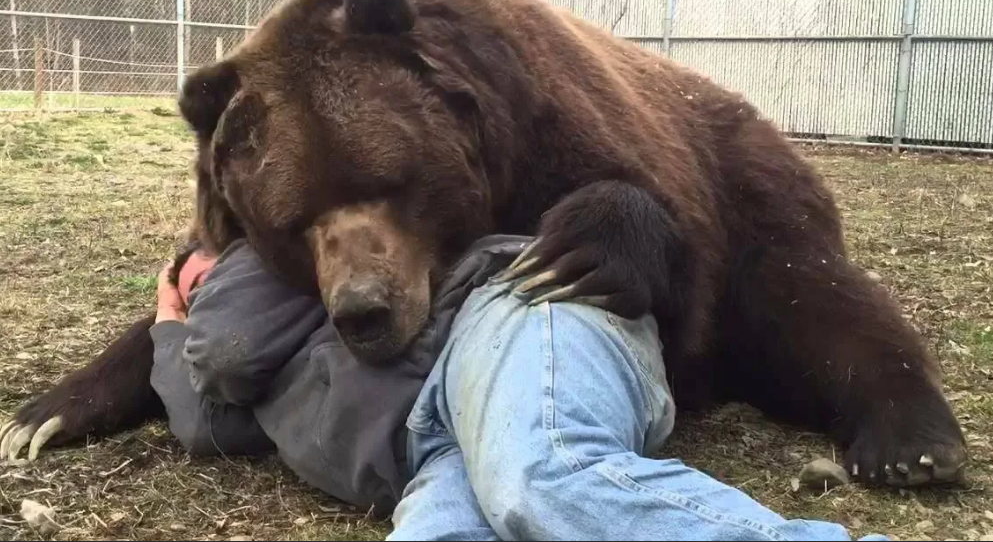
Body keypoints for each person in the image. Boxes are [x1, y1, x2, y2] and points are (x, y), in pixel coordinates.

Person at [151, 235, 887, 541]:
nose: (203, 292)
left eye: (201, 279)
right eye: (193, 291)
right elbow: (201, 421)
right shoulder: (278, 377)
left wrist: (188, 298)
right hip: (438, 443)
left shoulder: (266, 261)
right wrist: (163, 323)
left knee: (545, 471)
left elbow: (226, 351)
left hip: (510, 315)